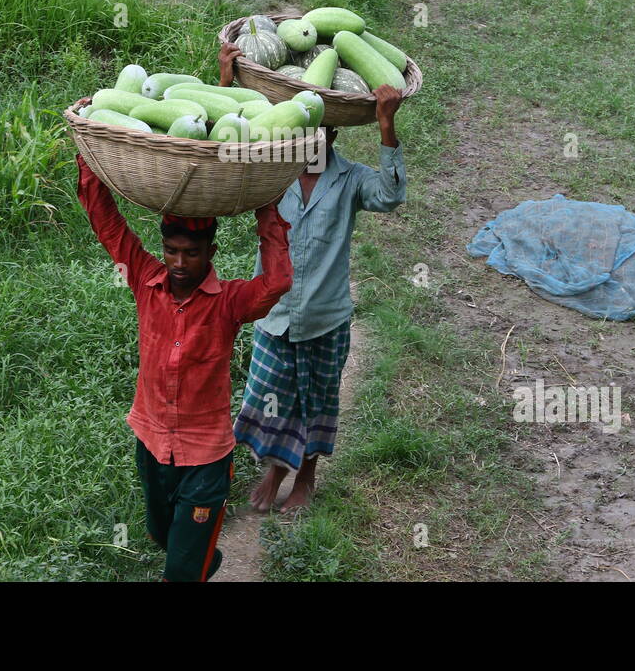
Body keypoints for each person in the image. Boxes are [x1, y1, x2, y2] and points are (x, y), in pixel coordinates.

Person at [75, 140, 293, 581]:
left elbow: (276, 282)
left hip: (206, 456)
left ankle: (192, 563)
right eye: (172, 250)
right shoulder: (144, 279)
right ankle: (203, 557)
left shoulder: (228, 301)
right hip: (152, 443)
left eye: (191, 253)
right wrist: (87, 155)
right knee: (162, 536)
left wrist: (266, 210)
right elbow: (108, 226)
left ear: (210, 253)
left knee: (178, 571)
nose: (178, 262)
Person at [219, 44, 407, 512]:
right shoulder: (269, 175)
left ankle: (305, 479)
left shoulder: (350, 182)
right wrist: (225, 83)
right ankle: (273, 471)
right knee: (267, 397)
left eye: (322, 136)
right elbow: (221, 158)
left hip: (325, 318)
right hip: (274, 315)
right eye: (305, 135)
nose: (312, 144)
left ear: (335, 136)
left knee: (317, 402)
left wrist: (386, 124)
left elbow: (391, 195)